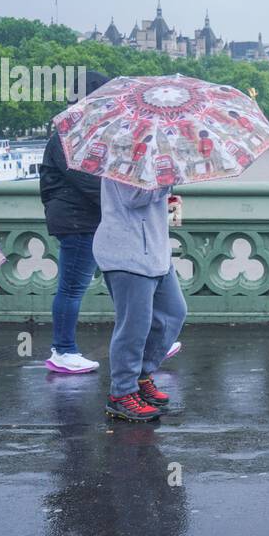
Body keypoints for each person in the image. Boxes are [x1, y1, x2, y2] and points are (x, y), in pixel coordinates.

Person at [93, 177, 187, 422]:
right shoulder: (124, 154)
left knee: (173, 313)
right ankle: (122, 393)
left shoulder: (153, 157)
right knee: (133, 327)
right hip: (127, 253)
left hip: (156, 252)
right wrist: (167, 181)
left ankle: (141, 375)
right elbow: (133, 197)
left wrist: (171, 184)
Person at [39, 71, 109, 373]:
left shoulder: (76, 132)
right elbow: (90, 184)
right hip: (78, 221)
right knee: (71, 288)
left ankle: (150, 336)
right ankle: (63, 350)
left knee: (120, 280)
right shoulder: (70, 137)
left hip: (84, 219)